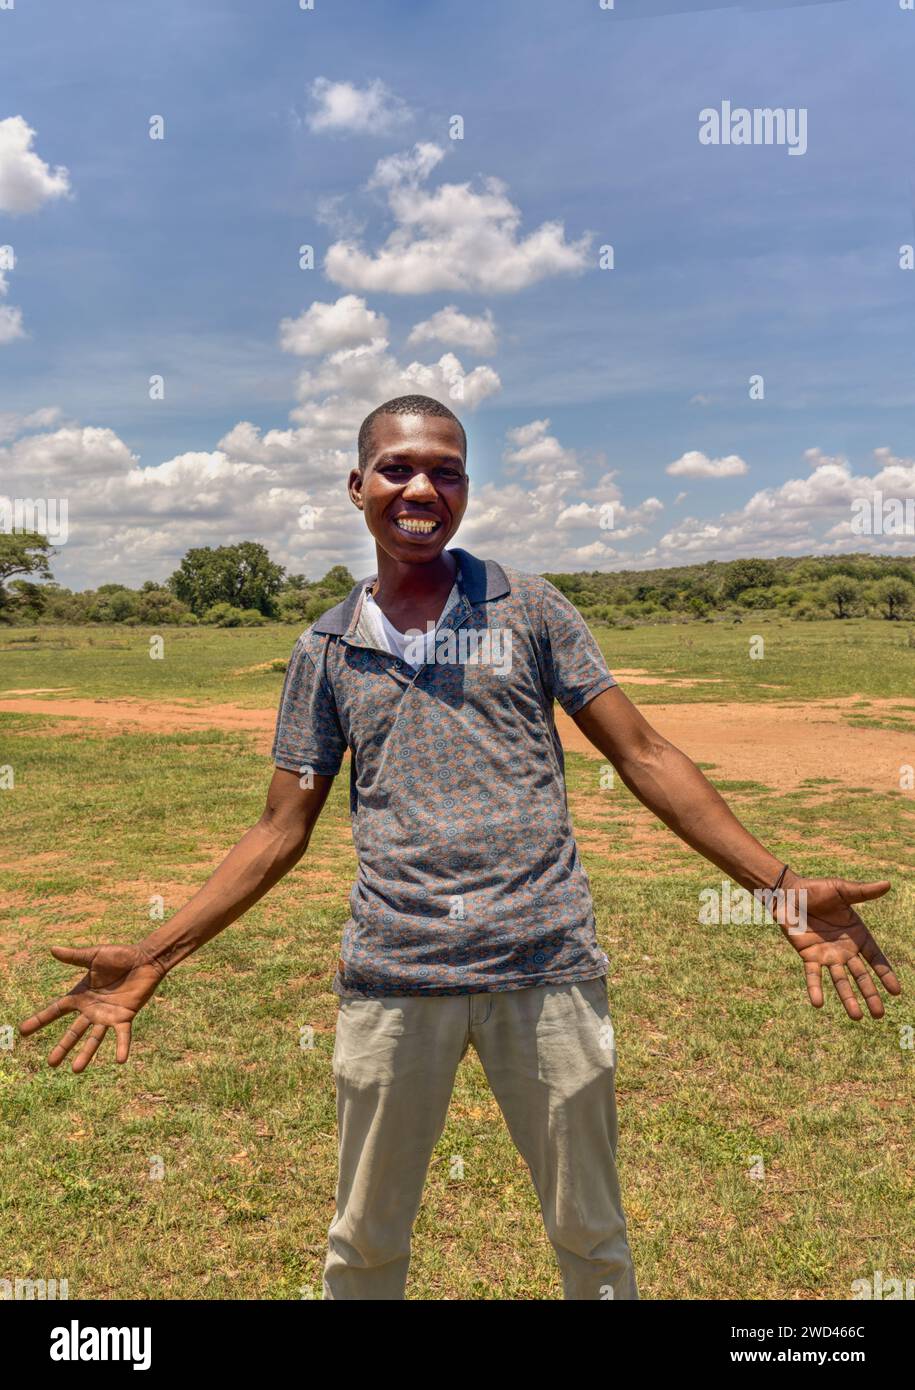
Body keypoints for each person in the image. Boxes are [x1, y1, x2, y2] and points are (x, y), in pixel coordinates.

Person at [19, 394, 902, 1302]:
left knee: (591, 1235)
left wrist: (782, 890)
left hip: (545, 965)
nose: (421, 487)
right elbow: (282, 828)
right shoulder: (325, 648)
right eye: (399, 468)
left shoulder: (528, 607)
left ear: (466, 488)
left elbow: (643, 755)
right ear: (357, 484)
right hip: (394, 977)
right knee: (362, 1242)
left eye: (445, 469)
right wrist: (157, 955)